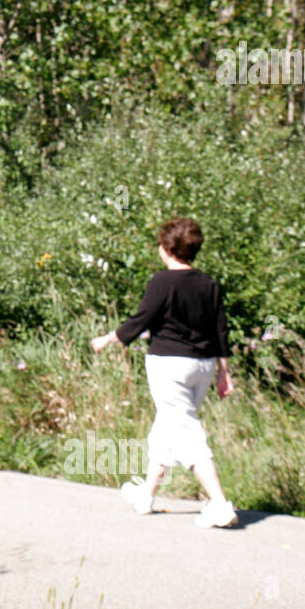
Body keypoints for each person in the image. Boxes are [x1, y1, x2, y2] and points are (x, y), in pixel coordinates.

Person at [89, 217, 238, 528]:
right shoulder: (209, 284)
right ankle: (146, 494)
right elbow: (220, 330)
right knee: (169, 426)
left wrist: (107, 339)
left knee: (185, 431)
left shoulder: (162, 282)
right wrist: (224, 372)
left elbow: (141, 319)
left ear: (167, 248)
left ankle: (220, 504)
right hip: (203, 366)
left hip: (169, 364)